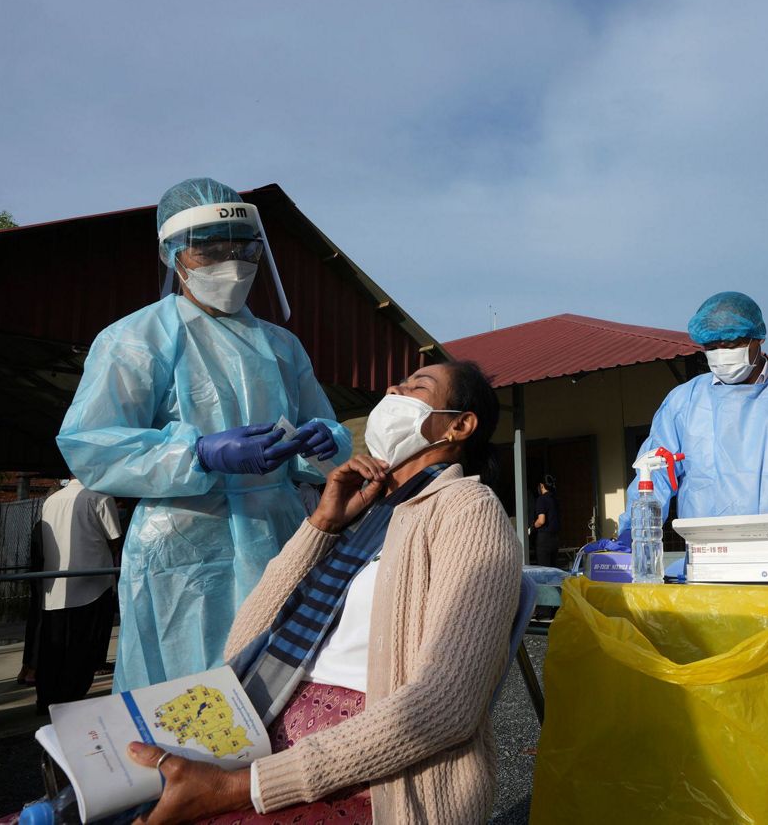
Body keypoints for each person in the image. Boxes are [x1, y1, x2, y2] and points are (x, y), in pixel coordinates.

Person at [122, 361, 521, 825]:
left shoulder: (468, 509)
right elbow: (245, 644)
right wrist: (322, 525)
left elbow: (447, 705)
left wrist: (240, 787)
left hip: (371, 776)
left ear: (459, 425)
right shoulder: (365, 517)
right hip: (262, 730)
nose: (393, 387)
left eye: (417, 386)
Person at [57, 177, 352, 692]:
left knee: (283, 687)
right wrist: (198, 454)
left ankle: (265, 779)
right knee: (187, 693)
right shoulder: (137, 337)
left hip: (281, 535)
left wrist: (325, 440)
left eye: (242, 248)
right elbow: (90, 445)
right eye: (210, 249)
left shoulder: (282, 344)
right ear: (174, 256)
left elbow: (320, 426)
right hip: (186, 551)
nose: (231, 262)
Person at [617, 292, 768, 565]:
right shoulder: (684, 401)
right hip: (707, 557)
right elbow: (653, 476)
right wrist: (632, 532)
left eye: (732, 343)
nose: (721, 353)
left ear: (758, 338)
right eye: (712, 346)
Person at [34, 478, 122, 712]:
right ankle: (71, 699)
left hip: (54, 586)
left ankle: (46, 699)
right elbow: (115, 538)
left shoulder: (51, 500)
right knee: (83, 647)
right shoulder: (100, 497)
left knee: (52, 648)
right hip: (92, 586)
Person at [531, 474, 561, 567]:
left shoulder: (541, 499)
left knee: (544, 571)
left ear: (542, 485)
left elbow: (541, 520)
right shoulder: (555, 499)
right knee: (553, 569)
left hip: (544, 539)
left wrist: (532, 527)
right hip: (555, 538)